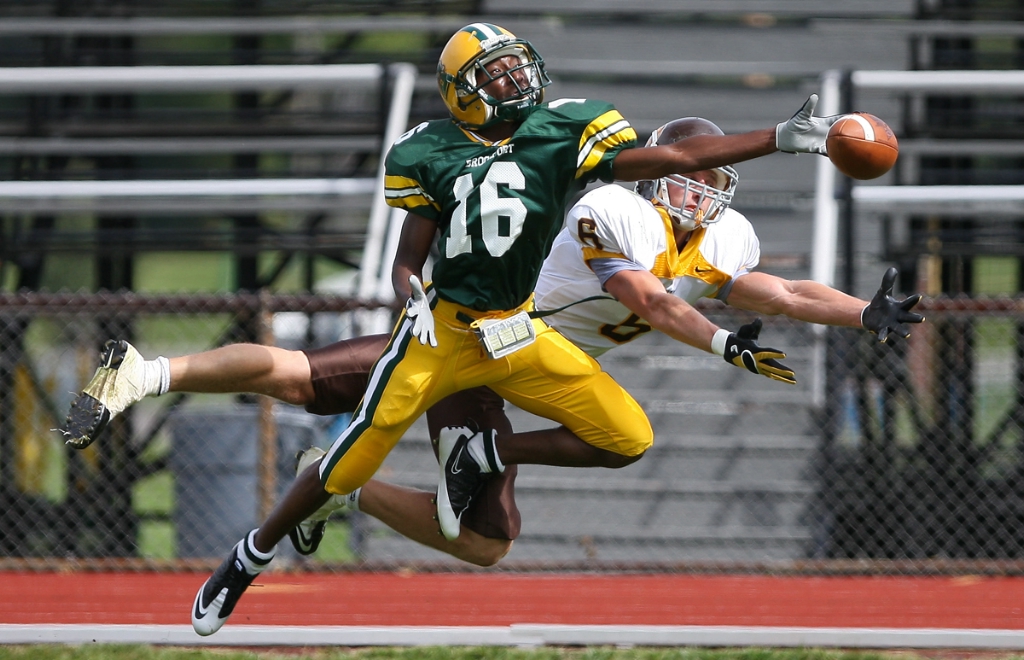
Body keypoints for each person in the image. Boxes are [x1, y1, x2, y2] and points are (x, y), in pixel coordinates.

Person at [67, 22, 848, 636]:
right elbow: (420, 253)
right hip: (445, 333)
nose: (517, 81)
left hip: (517, 336)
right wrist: (409, 290)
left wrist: (776, 141)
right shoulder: (432, 153)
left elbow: (682, 167)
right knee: (327, 406)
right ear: (463, 94)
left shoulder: (566, 135)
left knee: (567, 469)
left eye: (518, 68)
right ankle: (244, 544)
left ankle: (392, 467)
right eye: (497, 75)